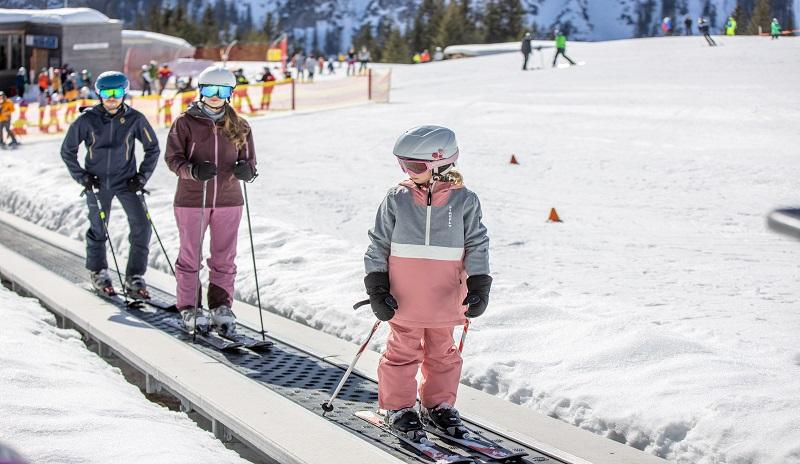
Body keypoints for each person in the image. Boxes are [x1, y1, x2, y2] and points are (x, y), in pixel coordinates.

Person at [364, 125, 491, 438]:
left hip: (445, 296)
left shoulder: (465, 201)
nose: (407, 171)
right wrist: (377, 286)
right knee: (401, 353)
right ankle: (398, 407)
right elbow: (378, 243)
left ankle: (439, 405)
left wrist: (479, 286)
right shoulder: (397, 198)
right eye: (403, 164)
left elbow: (477, 243)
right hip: (404, 297)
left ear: (441, 165)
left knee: (443, 352)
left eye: (415, 166)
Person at [164, 66, 258, 334]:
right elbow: (173, 159)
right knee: (190, 255)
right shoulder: (184, 123)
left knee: (224, 257)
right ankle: (189, 306)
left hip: (229, 200)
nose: (215, 96)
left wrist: (246, 171)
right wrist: (192, 171)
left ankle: (220, 306)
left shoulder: (240, 125)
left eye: (222, 91)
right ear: (200, 91)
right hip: (192, 199)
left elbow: (250, 161)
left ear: (230, 94)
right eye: (209, 90)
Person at [60, 71, 161, 298]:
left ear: (124, 93)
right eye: (106, 93)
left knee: (142, 227)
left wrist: (141, 178)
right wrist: (83, 177)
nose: (111, 97)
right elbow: (67, 151)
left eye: (116, 92)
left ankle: (134, 276)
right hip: (97, 183)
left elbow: (152, 148)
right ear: (99, 94)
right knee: (98, 228)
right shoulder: (86, 120)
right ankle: (98, 271)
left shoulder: (135, 119)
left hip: (127, 182)